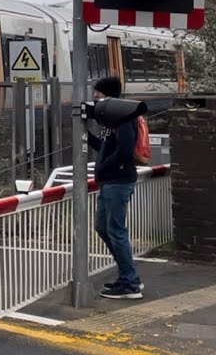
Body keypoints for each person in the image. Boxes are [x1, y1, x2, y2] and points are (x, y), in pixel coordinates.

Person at [86, 76, 142, 299]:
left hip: (118, 182)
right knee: (102, 227)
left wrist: (107, 167)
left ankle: (129, 283)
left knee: (116, 231)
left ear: (107, 95)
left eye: (97, 94)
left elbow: (125, 150)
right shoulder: (110, 120)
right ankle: (128, 276)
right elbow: (105, 147)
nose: (94, 98)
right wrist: (87, 137)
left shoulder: (124, 118)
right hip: (109, 182)